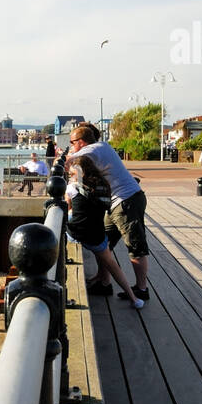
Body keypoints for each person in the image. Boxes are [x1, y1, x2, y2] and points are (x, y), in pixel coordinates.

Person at [65, 122, 150, 300]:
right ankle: (104, 282)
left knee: (135, 245)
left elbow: (70, 162)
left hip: (126, 201)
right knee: (104, 242)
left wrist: (68, 157)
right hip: (119, 201)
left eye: (72, 142)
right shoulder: (102, 146)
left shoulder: (94, 150)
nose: (71, 145)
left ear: (81, 141)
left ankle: (142, 288)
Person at [66, 156, 143, 309]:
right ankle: (134, 298)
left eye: (71, 173)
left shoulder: (72, 188)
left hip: (77, 233)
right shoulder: (104, 185)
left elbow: (69, 209)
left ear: (79, 172)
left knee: (57, 234)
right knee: (112, 264)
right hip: (97, 234)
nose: (70, 175)